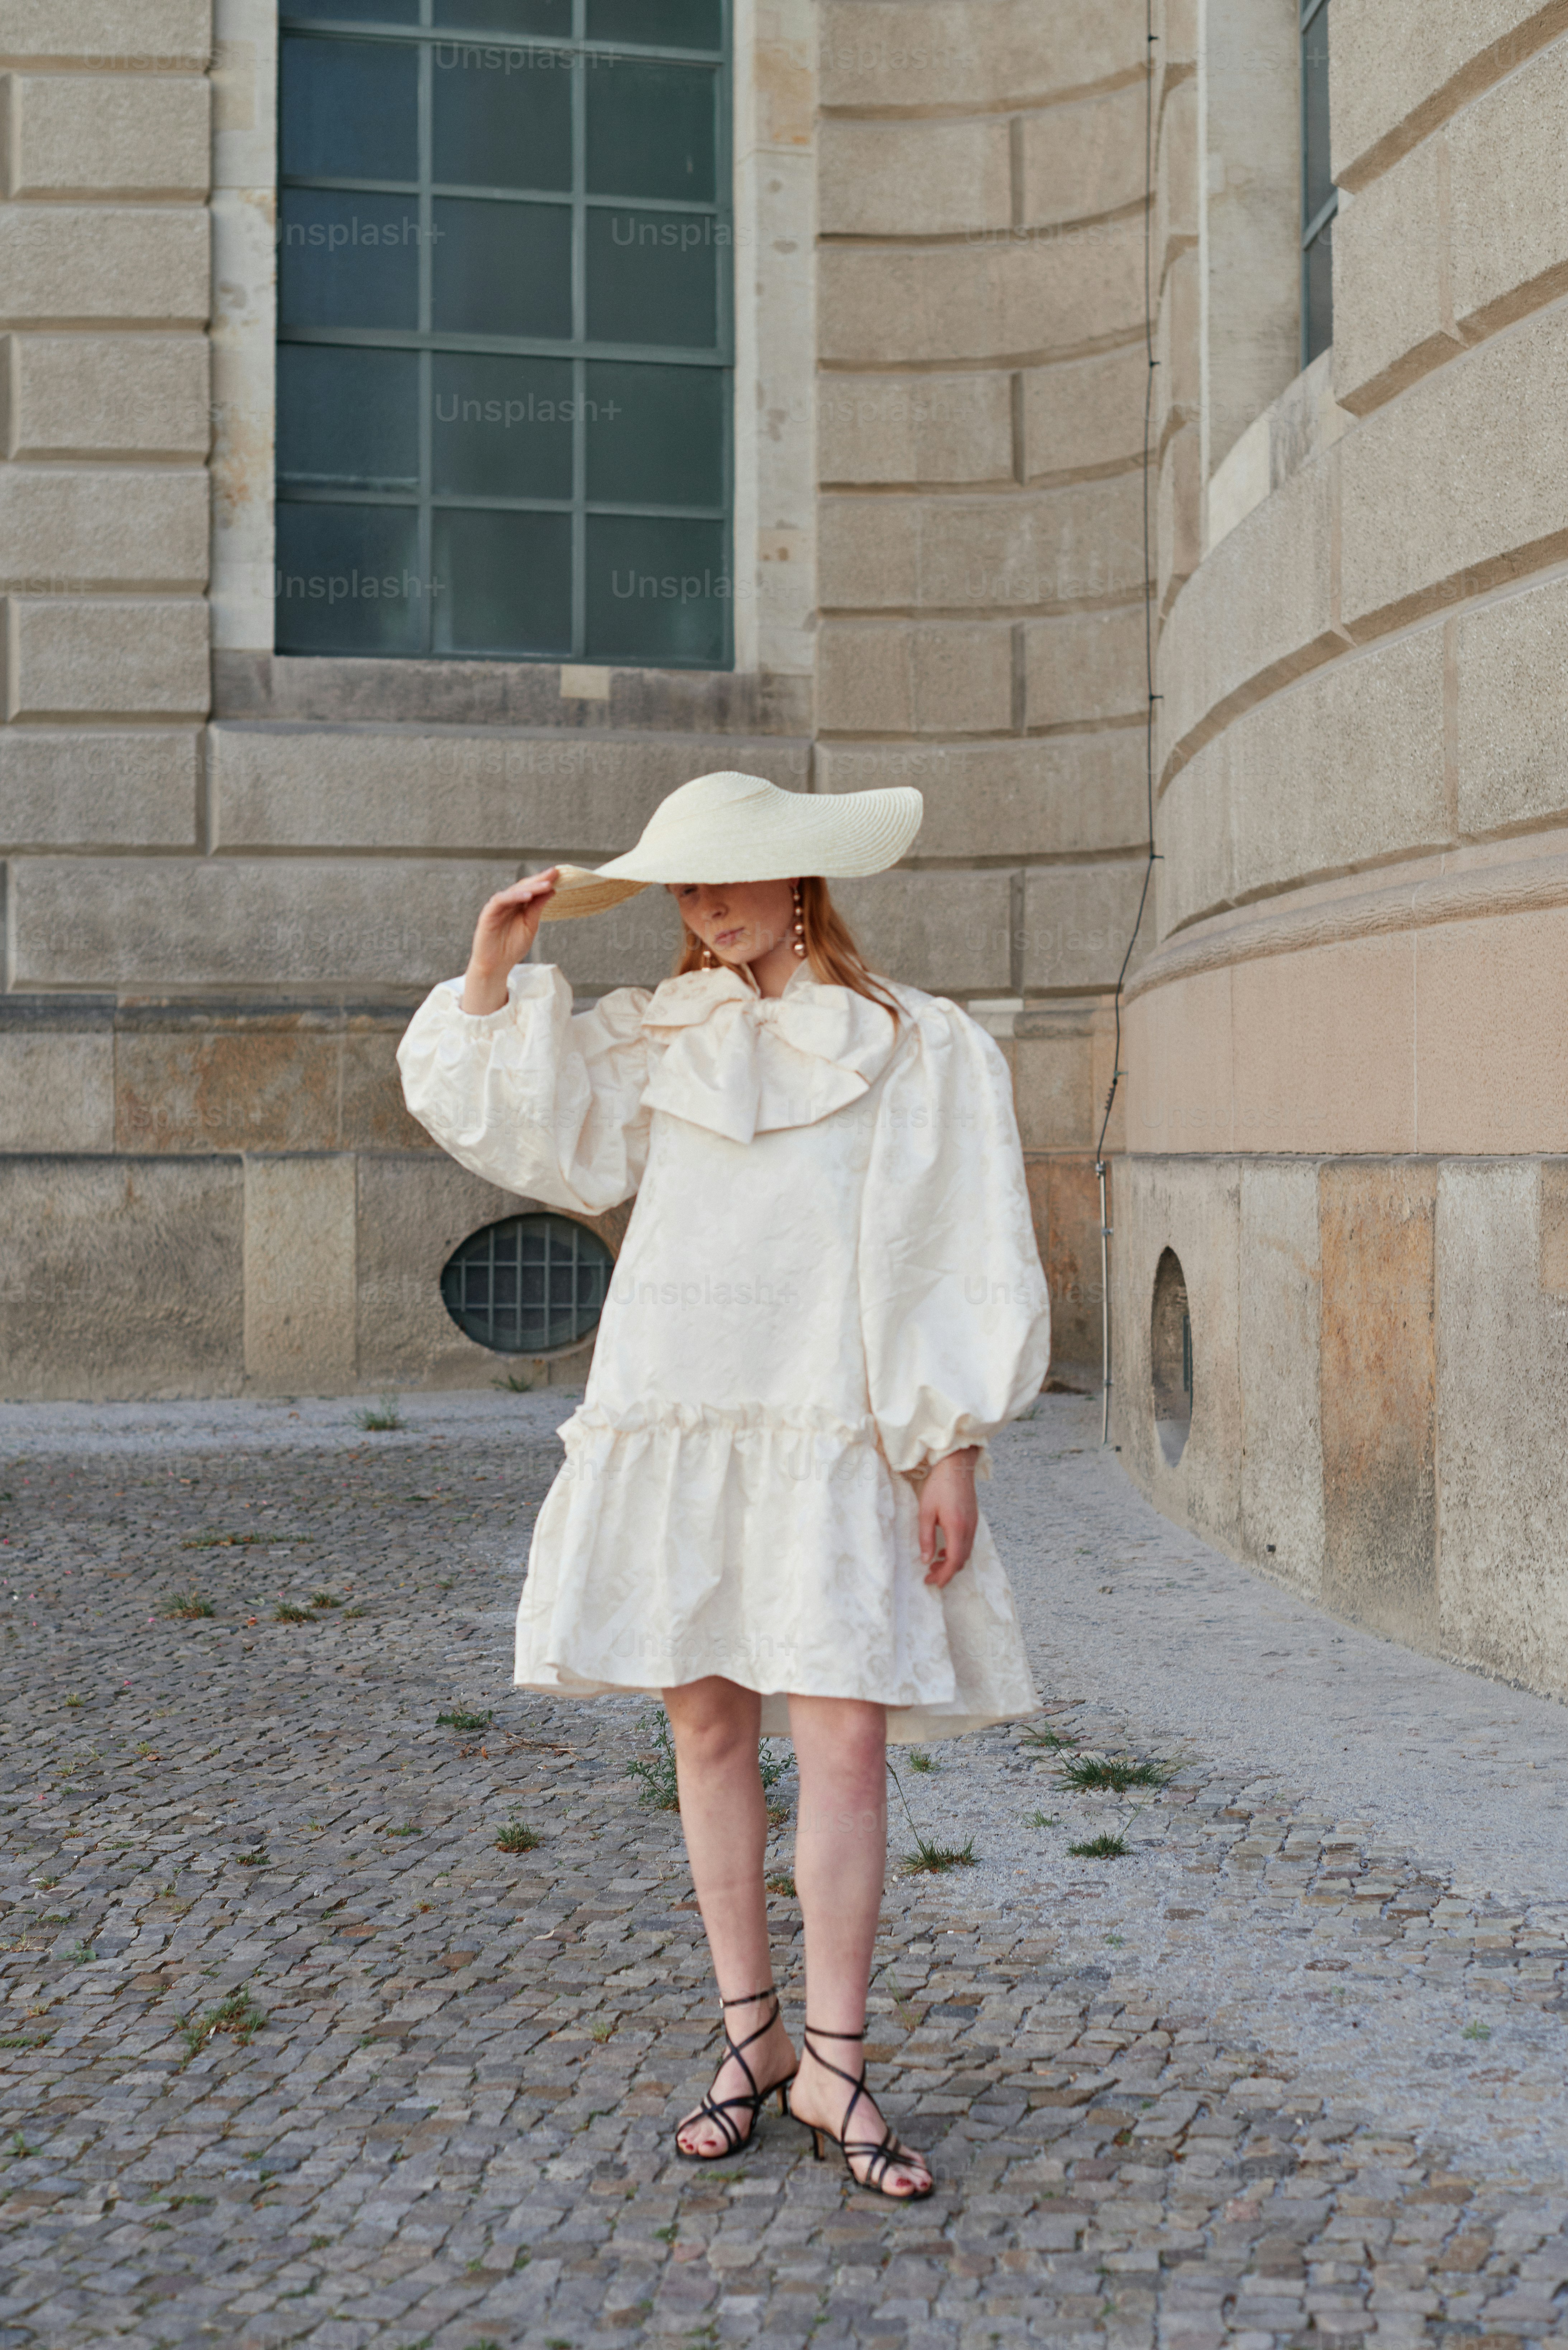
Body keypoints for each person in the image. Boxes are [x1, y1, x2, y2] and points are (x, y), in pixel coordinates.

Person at [398, 770, 1050, 2201]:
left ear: (800, 877)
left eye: (724, 876)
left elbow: (956, 1238)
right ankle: (751, 2039)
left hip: (830, 1427)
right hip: (679, 1411)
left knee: (845, 1743)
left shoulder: (916, 1043)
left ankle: (837, 2063)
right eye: (681, 884)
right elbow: (529, 1132)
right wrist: (495, 970)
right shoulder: (655, 1033)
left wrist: (948, 1443)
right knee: (704, 1731)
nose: (701, 905)